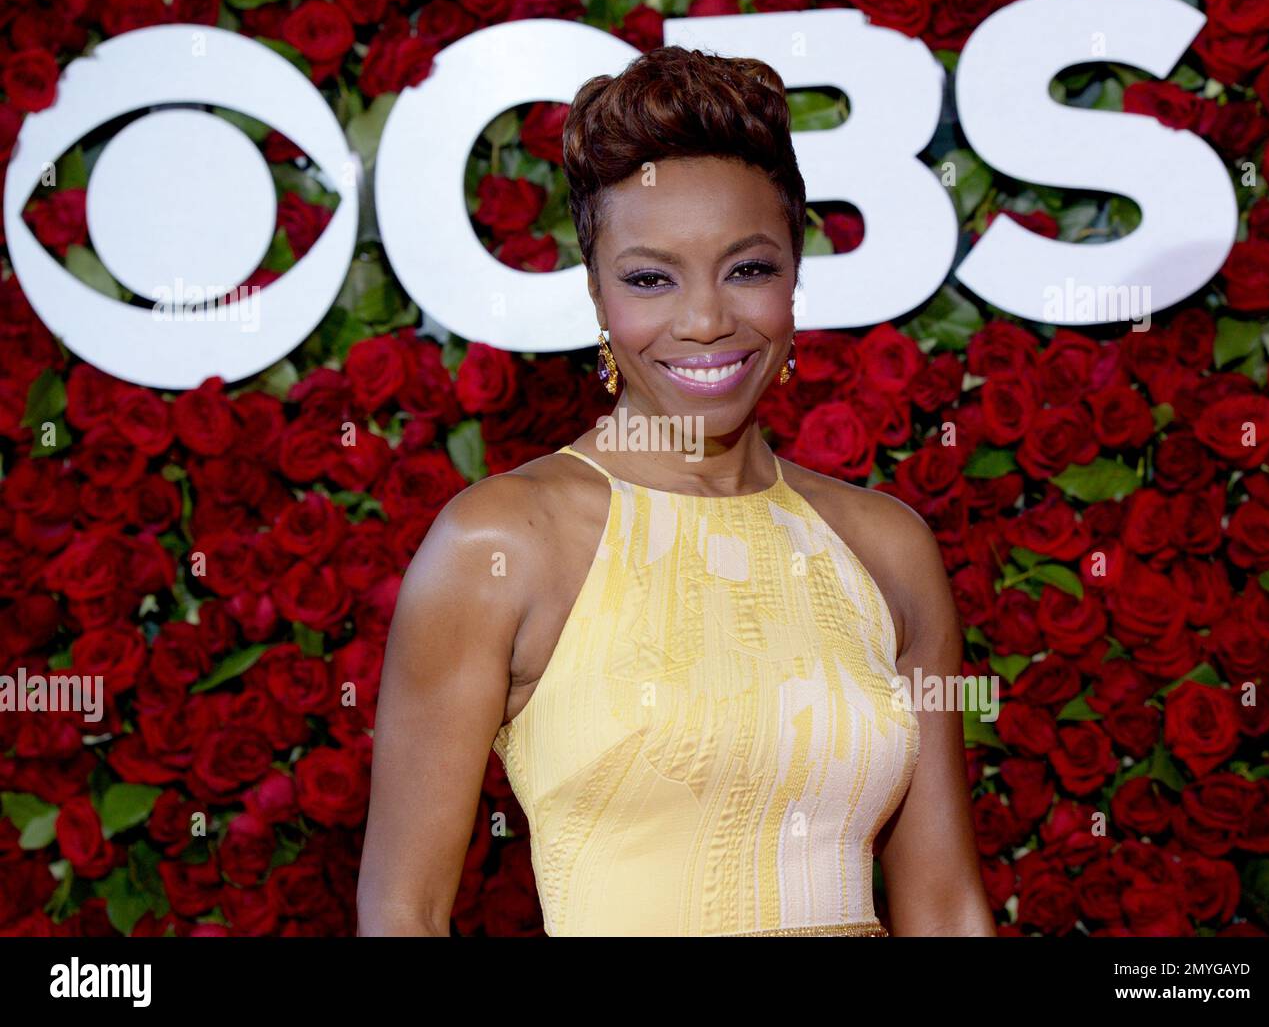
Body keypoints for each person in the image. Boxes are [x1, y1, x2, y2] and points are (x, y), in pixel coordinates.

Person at [357, 45, 995, 937]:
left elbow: (946, 906)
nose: (704, 321)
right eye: (651, 278)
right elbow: (403, 914)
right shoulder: (503, 543)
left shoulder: (888, 548)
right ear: (596, 296)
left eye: (749, 269)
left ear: (796, 278)